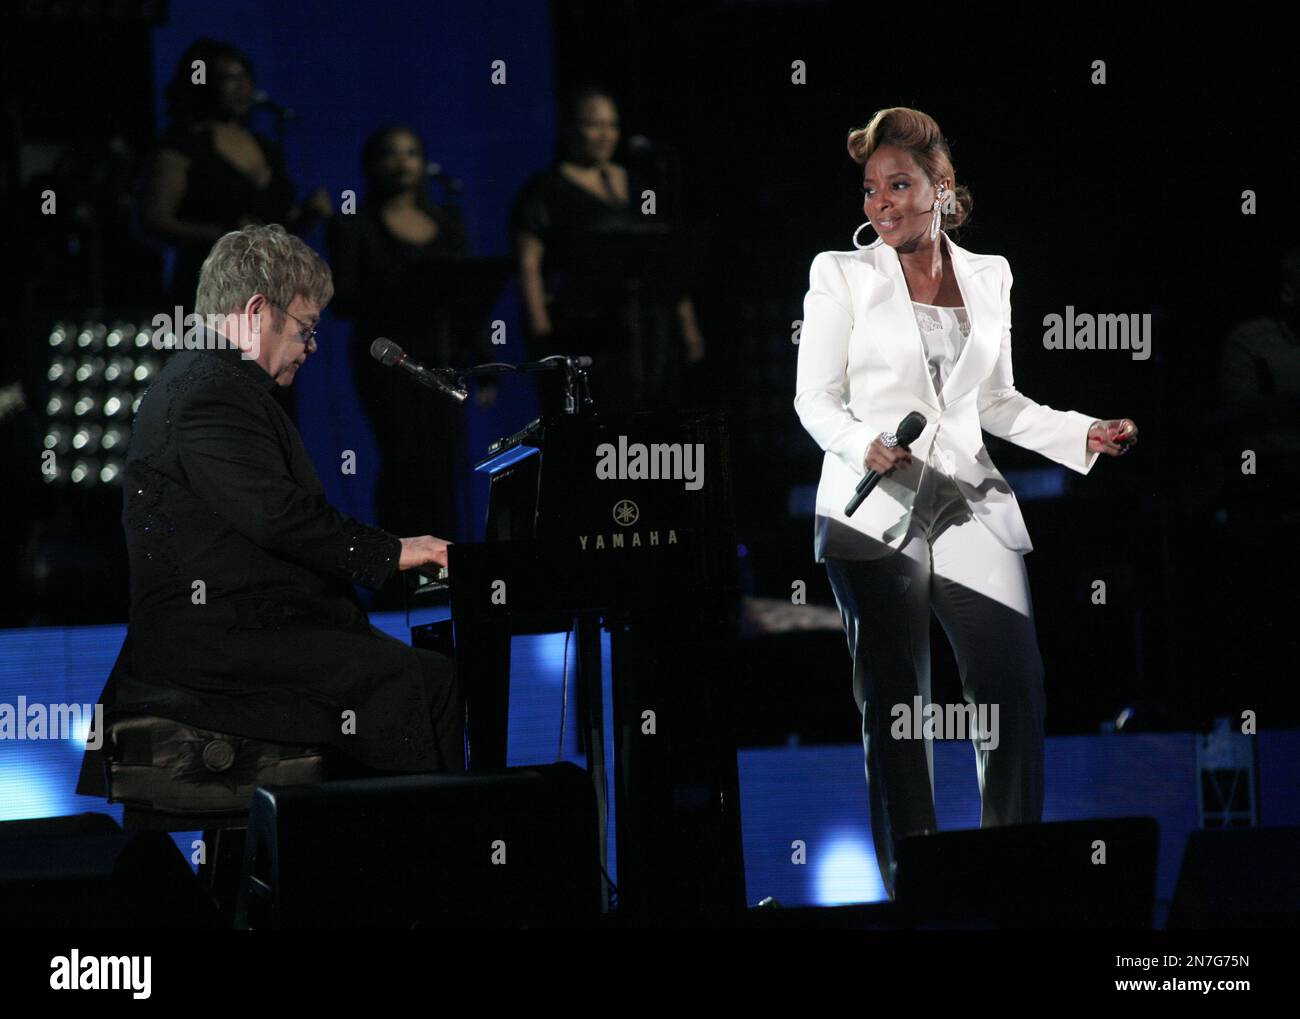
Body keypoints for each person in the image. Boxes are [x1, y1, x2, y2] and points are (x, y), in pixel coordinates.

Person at [794, 107, 1138, 900]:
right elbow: (814, 399)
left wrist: (1086, 431)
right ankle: (913, 892)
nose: (883, 204)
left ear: (942, 190)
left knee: (1013, 688)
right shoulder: (838, 274)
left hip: (967, 501)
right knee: (898, 710)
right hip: (872, 507)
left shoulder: (991, 274)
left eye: (902, 185)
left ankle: (1006, 879)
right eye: (872, 189)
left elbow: (1000, 401)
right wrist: (862, 443)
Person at [76, 224, 463, 801]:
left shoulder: (214, 380)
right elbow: (277, 516)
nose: (311, 348)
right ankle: (401, 868)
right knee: (420, 680)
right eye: (306, 329)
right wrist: (396, 551)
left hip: (233, 633)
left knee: (403, 670)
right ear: (258, 310)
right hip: (217, 648)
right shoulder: (212, 389)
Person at [511, 87, 705, 414]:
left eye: (612, 125)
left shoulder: (636, 186)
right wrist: (543, 339)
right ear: (570, 128)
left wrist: (688, 325)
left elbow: (666, 259)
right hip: (589, 329)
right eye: (594, 125)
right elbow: (529, 267)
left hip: (648, 327)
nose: (605, 135)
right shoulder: (546, 190)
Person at [328, 124, 477, 548]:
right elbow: (343, 300)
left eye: (411, 152)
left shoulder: (446, 220)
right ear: (372, 164)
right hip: (387, 357)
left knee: (443, 457)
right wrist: (399, 289)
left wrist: (483, 365)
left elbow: (466, 297)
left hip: (441, 353)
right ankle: (402, 566)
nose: (401, 163)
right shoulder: (354, 224)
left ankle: (448, 562)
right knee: (403, 458)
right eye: (390, 154)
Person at [139, 39, 332, 312]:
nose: (242, 88)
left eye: (246, 77)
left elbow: (275, 223)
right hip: (210, 288)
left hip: (266, 289)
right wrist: (224, 233)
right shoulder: (182, 146)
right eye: (229, 78)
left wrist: (307, 215)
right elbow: (154, 220)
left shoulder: (264, 145)